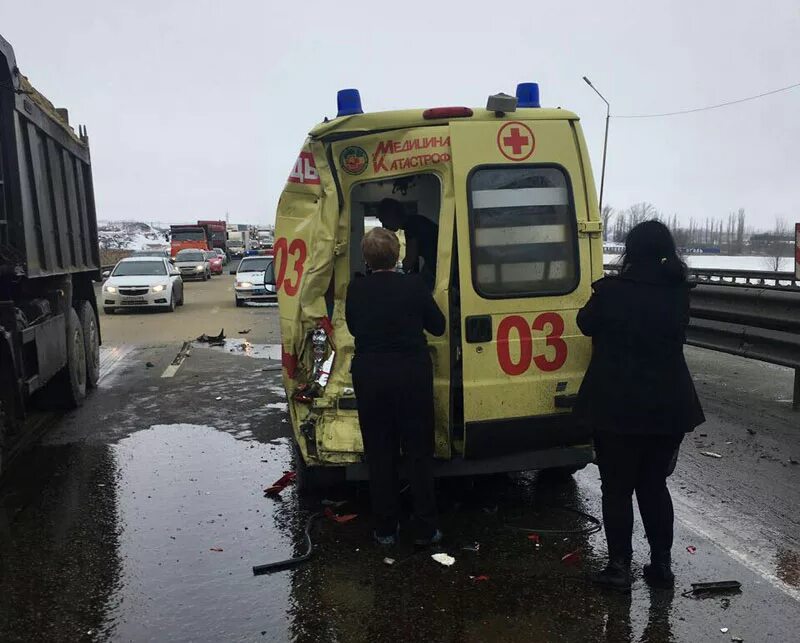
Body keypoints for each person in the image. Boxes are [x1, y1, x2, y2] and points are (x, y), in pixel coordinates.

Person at [575, 220, 705, 591]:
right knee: (653, 486)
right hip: (668, 405)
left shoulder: (612, 291)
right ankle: (661, 565)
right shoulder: (679, 291)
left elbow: (585, 323)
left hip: (616, 405)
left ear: (630, 250)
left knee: (617, 488)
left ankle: (619, 568)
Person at [345, 227, 446, 546]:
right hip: (410, 376)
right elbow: (439, 326)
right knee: (418, 453)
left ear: (367, 258)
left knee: (380, 453)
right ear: (398, 255)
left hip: (371, 376)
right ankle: (426, 527)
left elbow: (352, 326)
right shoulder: (413, 286)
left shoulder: (356, 290)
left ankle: (386, 528)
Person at [376, 198, 438, 290]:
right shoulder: (417, 221)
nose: (384, 226)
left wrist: (395, 276)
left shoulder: (412, 226)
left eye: (383, 221)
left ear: (391, 216)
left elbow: (410, 260)